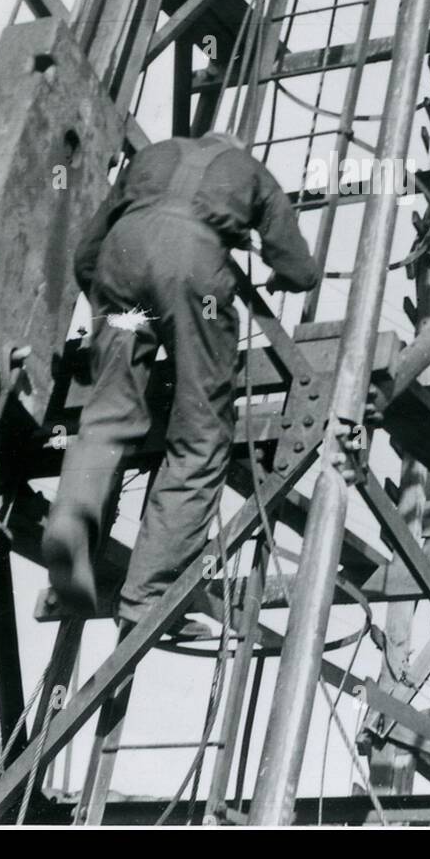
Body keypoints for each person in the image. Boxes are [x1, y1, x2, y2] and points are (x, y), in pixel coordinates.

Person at [43, 130, 319, 633]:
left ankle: (71, 524)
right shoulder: (250, 171)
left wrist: (109, 306)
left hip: (121, 262)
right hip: (193, 274)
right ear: (234, 146)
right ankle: (147, 601)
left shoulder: (152, 155)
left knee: (107, 418)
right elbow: (300, 270)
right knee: (200, 437)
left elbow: (87, 251)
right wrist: (279, 275)